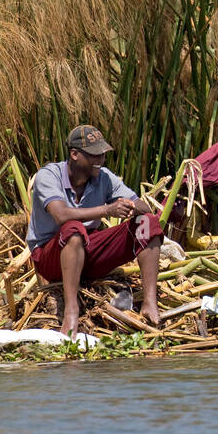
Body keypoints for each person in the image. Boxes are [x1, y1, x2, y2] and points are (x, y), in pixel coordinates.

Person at [27, 125, 165, 334]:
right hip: (51, 257)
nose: (100, 159)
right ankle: (71, 310)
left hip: (87, 251)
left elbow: (145, 207)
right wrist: (108, 209)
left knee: (148, 222)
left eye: (102, 153)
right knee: (72, 229)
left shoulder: (104, 177)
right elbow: (61, 215)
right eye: (94, 154)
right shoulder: (48, 176)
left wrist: (131, 206)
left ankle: (149, 303)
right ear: (74, 154)